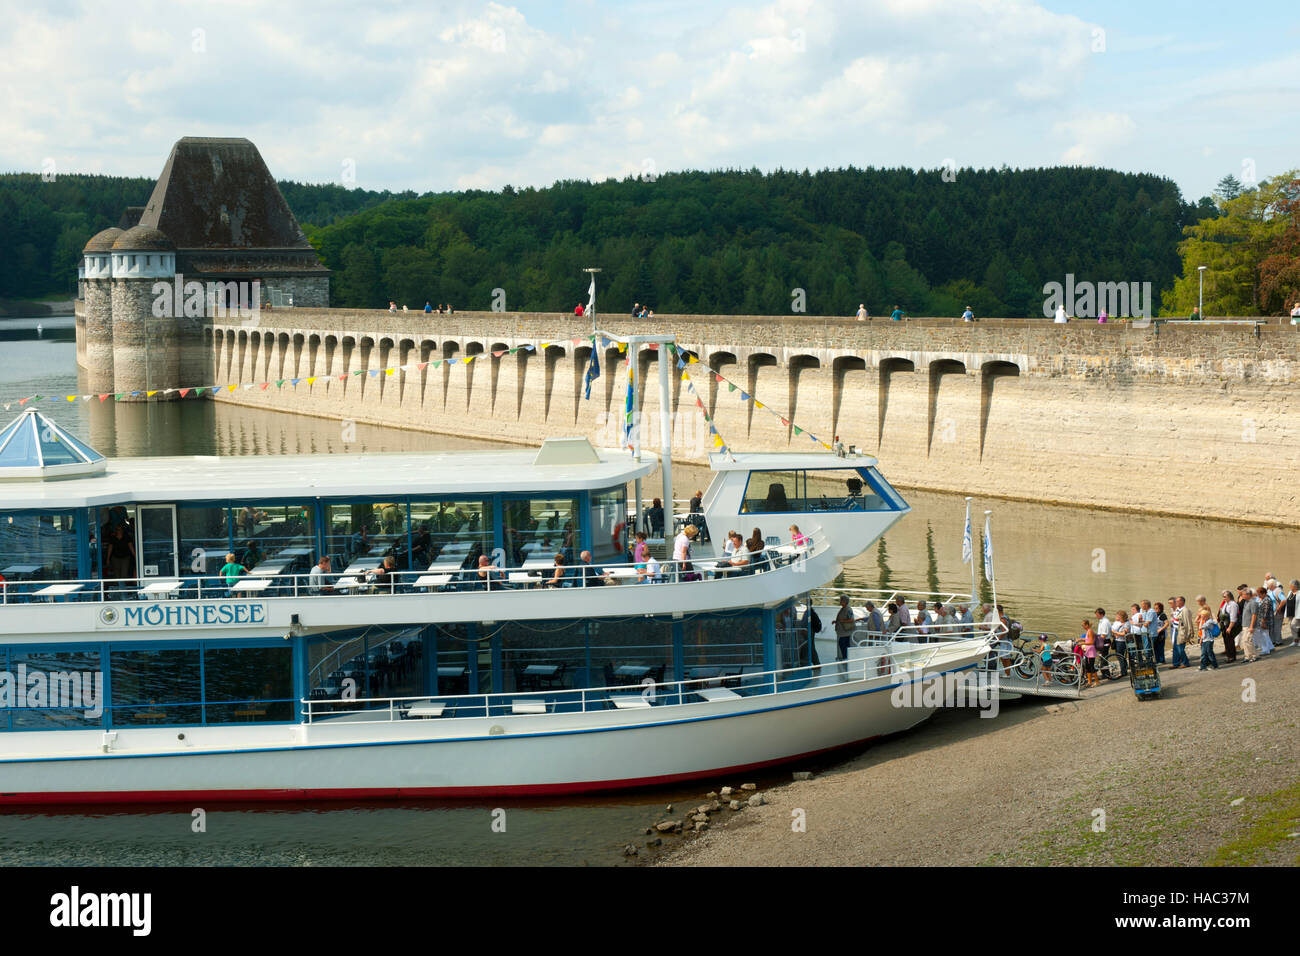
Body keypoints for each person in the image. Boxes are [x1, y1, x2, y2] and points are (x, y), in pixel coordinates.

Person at [1171, 596, 1194, 668]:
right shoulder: (1178, 609)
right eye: (1176, 601)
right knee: (1175, 648)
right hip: (1175, 630)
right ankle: (1175, 663)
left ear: (1182, 602)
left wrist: (1189, 635)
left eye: (1177, 601)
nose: (1176, 602)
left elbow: (1188, 623)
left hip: (1182, 632)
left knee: (1180, 648)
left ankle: (1185, 662)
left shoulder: (1185, 610)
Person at [1218, 590, 1239, 664]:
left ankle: (1232, 657)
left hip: (1230, 625)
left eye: (1225, 597)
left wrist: (1230, 627)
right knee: (1226, 641)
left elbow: (1233, 617)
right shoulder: (1226, 604)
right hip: (1224, 625)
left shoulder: (1233, 605)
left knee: (1230, 642)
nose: (1223, 598)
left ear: (1229, 597)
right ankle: (1229, 655)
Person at [834, 594, 856, 661]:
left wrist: (842, 620)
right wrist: (836, 621)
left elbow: (851, 619)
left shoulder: (848, 609)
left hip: (846, 631)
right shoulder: (843, 608)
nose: (840, 602)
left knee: (843, 643)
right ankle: (846, 657)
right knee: (844, 644)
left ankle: (845, 658)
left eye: (841, 600)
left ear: (844, 601)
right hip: (843, 631)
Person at [1080, 619, 1098, 688]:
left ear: (1087, 625)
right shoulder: (1088, 631)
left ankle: (1097, 682)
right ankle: (1089, 682)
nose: (1083, 627)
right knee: (1087, 667)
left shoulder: (1090, 631)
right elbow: (1088, 639)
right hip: (1088, 651)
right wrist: (1080, 639)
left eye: (1083, 625)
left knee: (1091, 666)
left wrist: (1082, 643)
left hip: (1091, 651)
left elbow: (1091, 642)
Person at [1286, 579, 1300, 645]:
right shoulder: (1290, 592)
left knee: (1294, 625)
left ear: (1295, 586)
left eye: (1291, 585)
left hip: (1297, 612)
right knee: (1291, 626)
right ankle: (1295, 640)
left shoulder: (1299, 593)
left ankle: (1298, 639)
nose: (1290, 587)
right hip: (1290, 612)